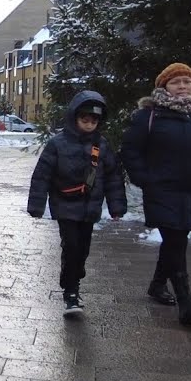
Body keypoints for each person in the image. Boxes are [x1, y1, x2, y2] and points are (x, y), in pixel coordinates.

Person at [121, 63, 191, 326]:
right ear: (164, 87)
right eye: (175, 83)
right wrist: (144, 179)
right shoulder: (149, 116)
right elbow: (131, 150)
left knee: (178, 235)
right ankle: (186, 301)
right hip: (163, 188)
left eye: (187, 81)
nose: (182, 87)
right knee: (174, 237)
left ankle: (157, 284)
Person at [28, 90, 127, 316]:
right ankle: (71, 292)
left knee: (82, 249)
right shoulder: (57, 144)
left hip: (90, 208)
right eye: (85, 119)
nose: (89, 124)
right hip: (65, 204)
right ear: (74, 117)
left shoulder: (101, 146)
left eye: (94, 121)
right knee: (71, 245)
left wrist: (116, 206)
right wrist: (36, 206)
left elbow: (112, 176)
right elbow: (42, 175)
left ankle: (72, 273)